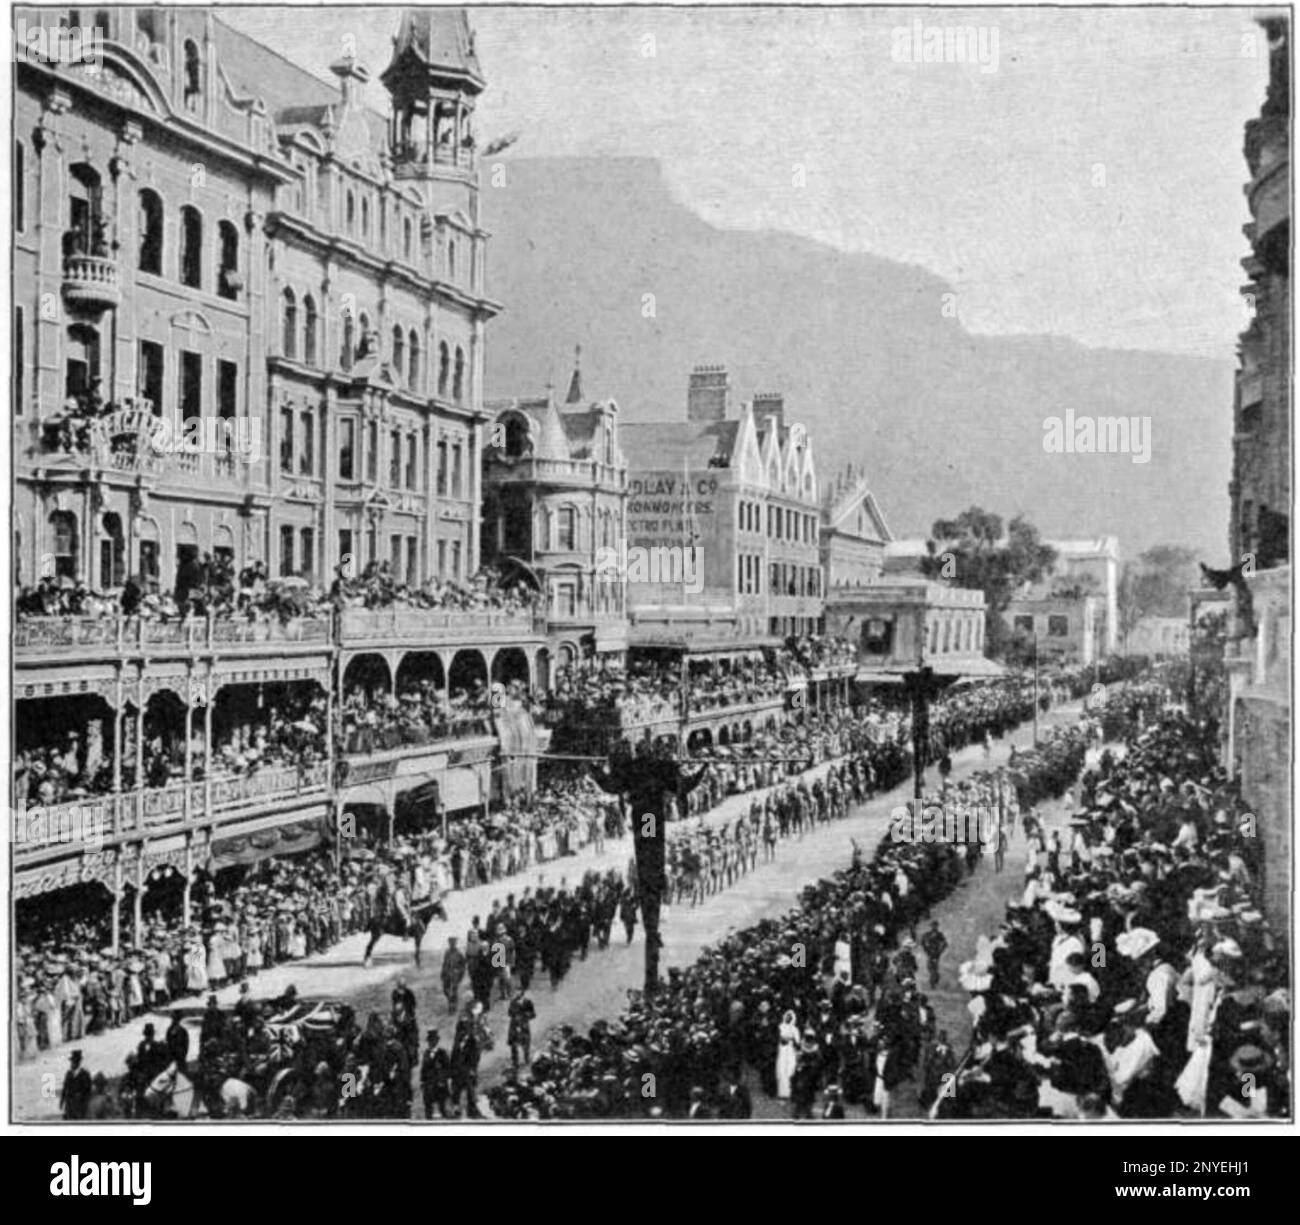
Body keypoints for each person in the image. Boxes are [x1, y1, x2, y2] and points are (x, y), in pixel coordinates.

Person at [419, 1030, 452, 1120]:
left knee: (442, 1106)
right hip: (428, 1084)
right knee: (428, 1106)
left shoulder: (442, 1053)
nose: (431, 1043)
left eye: (433, 1040)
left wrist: (442, 1080)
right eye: (429, 1041)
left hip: (439, 1084)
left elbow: (447, 1069)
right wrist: (422, 1081)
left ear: (437, 1041)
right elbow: (423, 1068)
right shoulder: (426, 1053)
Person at [507, 988, 536, 1071]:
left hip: (524, 1025)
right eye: (516, 992)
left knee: (526, 1042)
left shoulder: (528, 1002)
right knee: (513, 1043)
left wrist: (526, 1015)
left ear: (522, 993)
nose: (517, 994)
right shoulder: (513, 1002)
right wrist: (514, 1015)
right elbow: (509, 1013)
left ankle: (526, 1057)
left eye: (519, 992)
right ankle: (515, 1061)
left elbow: (533, 1014)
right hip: (514, 1025)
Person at [60, 1050, 92, 1120]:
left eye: (73, 1062)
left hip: (80, 1106)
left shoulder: (85, 1074)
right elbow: (65, 1088)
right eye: (71, 1062)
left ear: (78, 1062)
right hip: (69, 1106)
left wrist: (84, 1101)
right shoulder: (68, 1074)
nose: (71, 1064)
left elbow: (88, 1091)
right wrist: (62, 1102)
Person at [441, 936, 466, 1014]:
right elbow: (444, 964)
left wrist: (460, 974)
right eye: (450, 942)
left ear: (455, 943)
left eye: (453, 942)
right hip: (447, 974)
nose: (452, 944)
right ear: (449, 943)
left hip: (455, 976)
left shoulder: (459, 953)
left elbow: (463, 966)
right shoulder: (447, 952)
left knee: (454, 992)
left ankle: (452, 1008)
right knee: (445, 990)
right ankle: (452, 1003)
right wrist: (442, 974)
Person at [921, 921, 948, 989]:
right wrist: (926, 949)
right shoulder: (927, 934)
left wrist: (940, 951)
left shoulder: (939, 935)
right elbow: (922, 942)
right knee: (930, 968)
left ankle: (933, 983)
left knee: (933, 968)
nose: (934, 927)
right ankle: (935, 980)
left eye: (935, 925)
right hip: (929, 953)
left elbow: (945, 944)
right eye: (933, 925)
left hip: (936, 954)